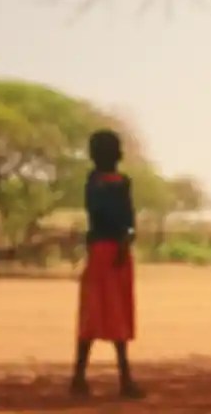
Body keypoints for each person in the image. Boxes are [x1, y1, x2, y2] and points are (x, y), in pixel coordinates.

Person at [70, 129, 144, 399]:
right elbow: (123, 219)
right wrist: (125, 242)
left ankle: (81, 378)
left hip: (105, 251)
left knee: (98, 312)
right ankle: (122, 380)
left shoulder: (99, 183)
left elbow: (125, 219)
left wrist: (125, 240)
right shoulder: (110, 183)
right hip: (112, 252)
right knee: (111, 313)